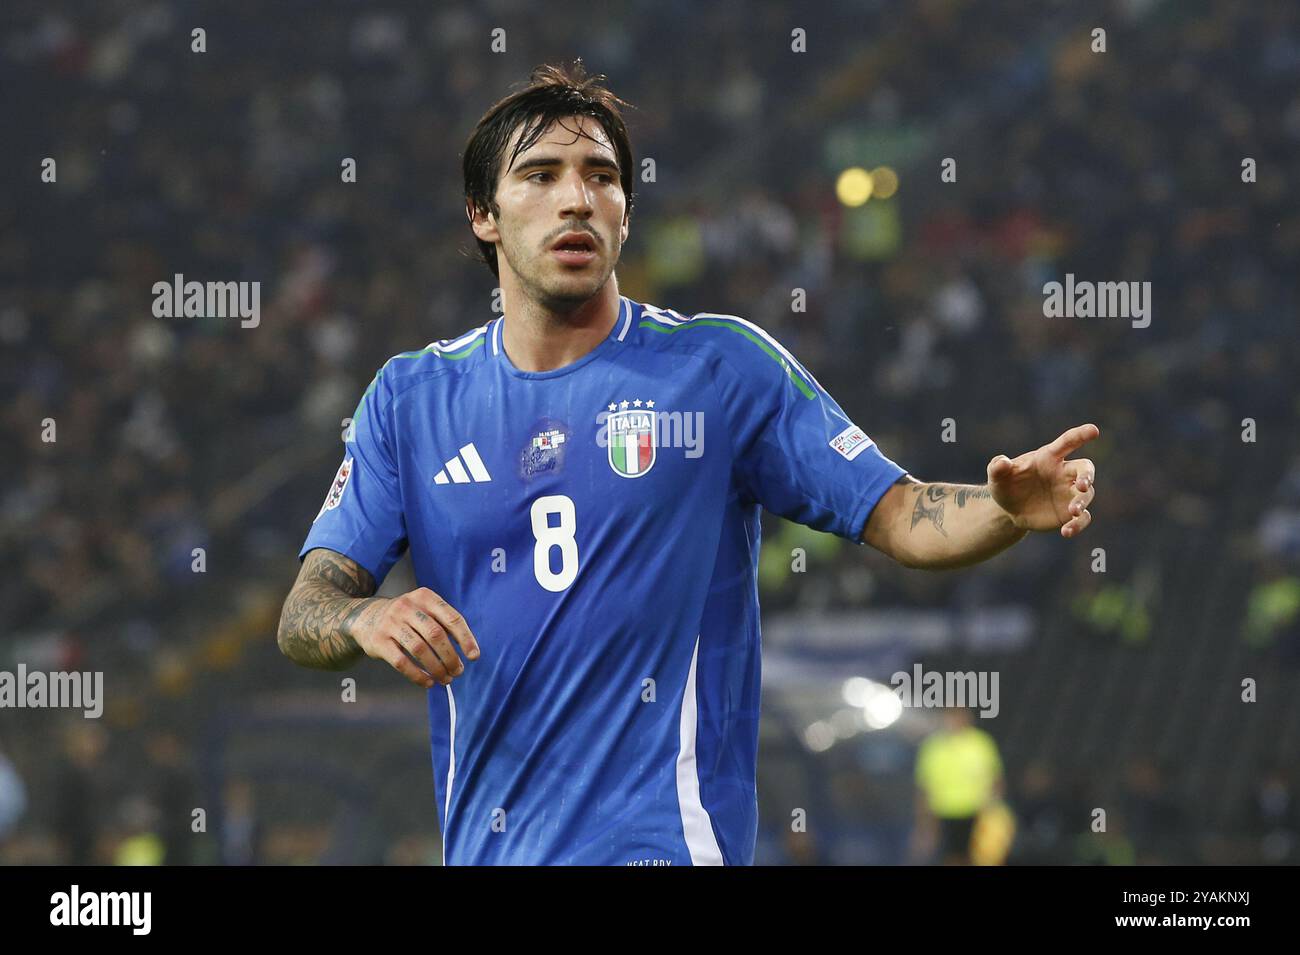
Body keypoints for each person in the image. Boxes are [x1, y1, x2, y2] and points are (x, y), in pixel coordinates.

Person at [276, 60, 1100, 865]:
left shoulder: (717, 369)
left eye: (602, 176)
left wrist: (1001, 510)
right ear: (482, 214)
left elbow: (899, 515)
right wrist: (364, 617)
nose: (576, 198)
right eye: (540, 175)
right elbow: (306, 608)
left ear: (627, 212)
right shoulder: (410, 399)